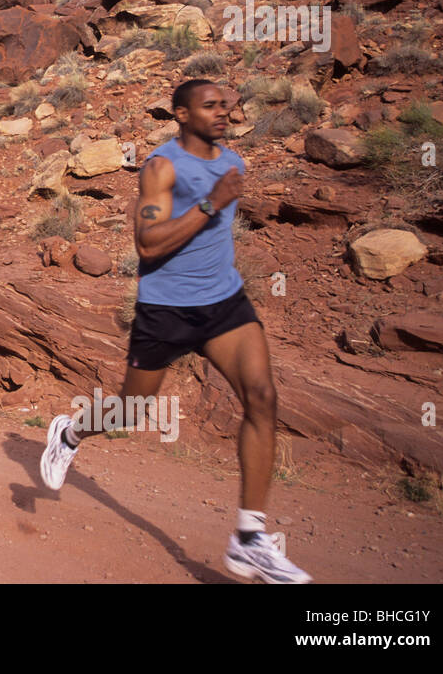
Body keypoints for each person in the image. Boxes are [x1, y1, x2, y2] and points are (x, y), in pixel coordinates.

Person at [38, 78, 312, 584]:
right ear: (182, 115)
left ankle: (249, 540)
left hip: (224, 304)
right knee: (131, 410)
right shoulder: (161, 167)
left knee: (262, 397)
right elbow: (147, 244)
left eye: (225, 105)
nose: (222, 113)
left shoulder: (233, 162)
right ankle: (70, 432)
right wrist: (209, 203)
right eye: (209, 106)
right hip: (166, 311)